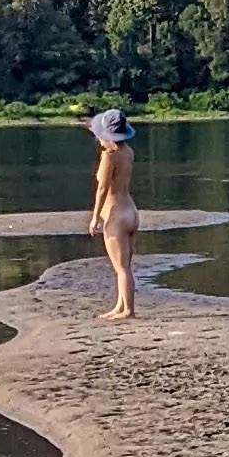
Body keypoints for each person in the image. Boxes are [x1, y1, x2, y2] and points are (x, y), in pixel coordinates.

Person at [85, 108, 139, 320]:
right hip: (131, 210)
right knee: (123, 266)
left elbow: (102, 189)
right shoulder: (128, 152)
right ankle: (120, 305)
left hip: (116, 215)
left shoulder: (110, 156)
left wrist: (95, 217)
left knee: (122, 267)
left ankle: (128, 310)